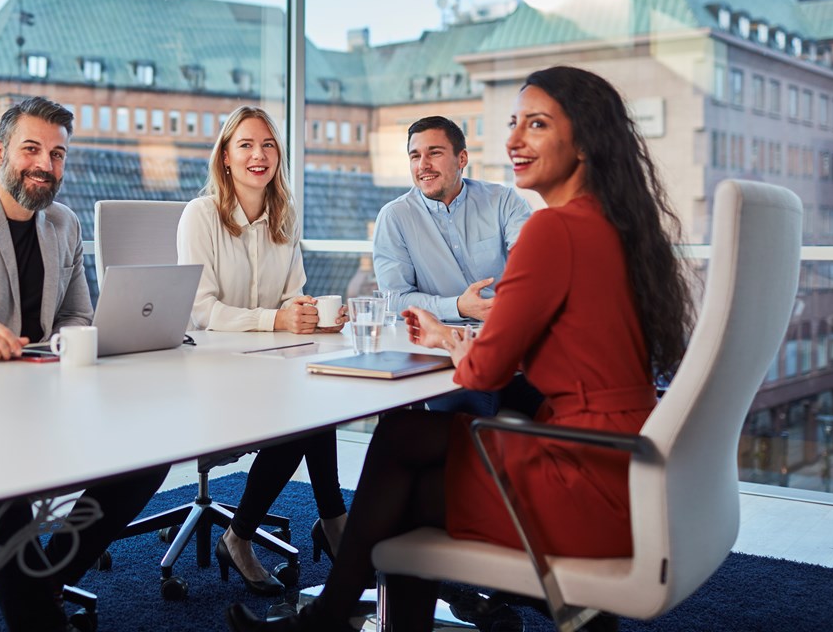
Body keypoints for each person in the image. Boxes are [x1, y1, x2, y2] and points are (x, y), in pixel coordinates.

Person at [225, 65, 694, 632]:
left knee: (400, 467)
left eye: (537, 125)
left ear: (585, 139)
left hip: (582, 484)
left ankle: (327, 618)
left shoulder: (551, 231)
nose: (514, 140)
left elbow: (487, 369)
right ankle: (336, 613)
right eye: (514, 123)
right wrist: (459, 330)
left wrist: (459, 338)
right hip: (625, 468)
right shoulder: (610, 226)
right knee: (407, 443)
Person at [0, 96, 168, 632]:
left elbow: (77, 314)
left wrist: (71, 342)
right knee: (1, 477)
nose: (46, 164)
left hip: (41, 398)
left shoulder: (62, 225)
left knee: (150, 453)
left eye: (58, 154)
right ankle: (42, 619)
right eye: (32, 149)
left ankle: (41, 583)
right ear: (0, 151)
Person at [178, 105, 350, 597]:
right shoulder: (201, 216)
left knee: (315, 395)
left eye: (268, 145)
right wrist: (275, 320)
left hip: (265, 369)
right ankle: (326, 522)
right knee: (301, 412)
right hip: (210, 373)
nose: (259, 155)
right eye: (246, 145)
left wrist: (310, 312)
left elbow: (290, 296)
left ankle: (255, 532)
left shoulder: (284, 218)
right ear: (226, 158)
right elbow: (201, 311)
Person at [373, 115, 532, 415]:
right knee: (468, 403)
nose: (423, 165)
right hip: (439, 353)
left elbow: (532, 266)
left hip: (509, 343)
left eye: (434, 153)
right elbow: (396, 300)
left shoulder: (503, 201)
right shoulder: (394, 218)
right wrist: (459, 307)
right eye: (415, 156)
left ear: (462, 159)